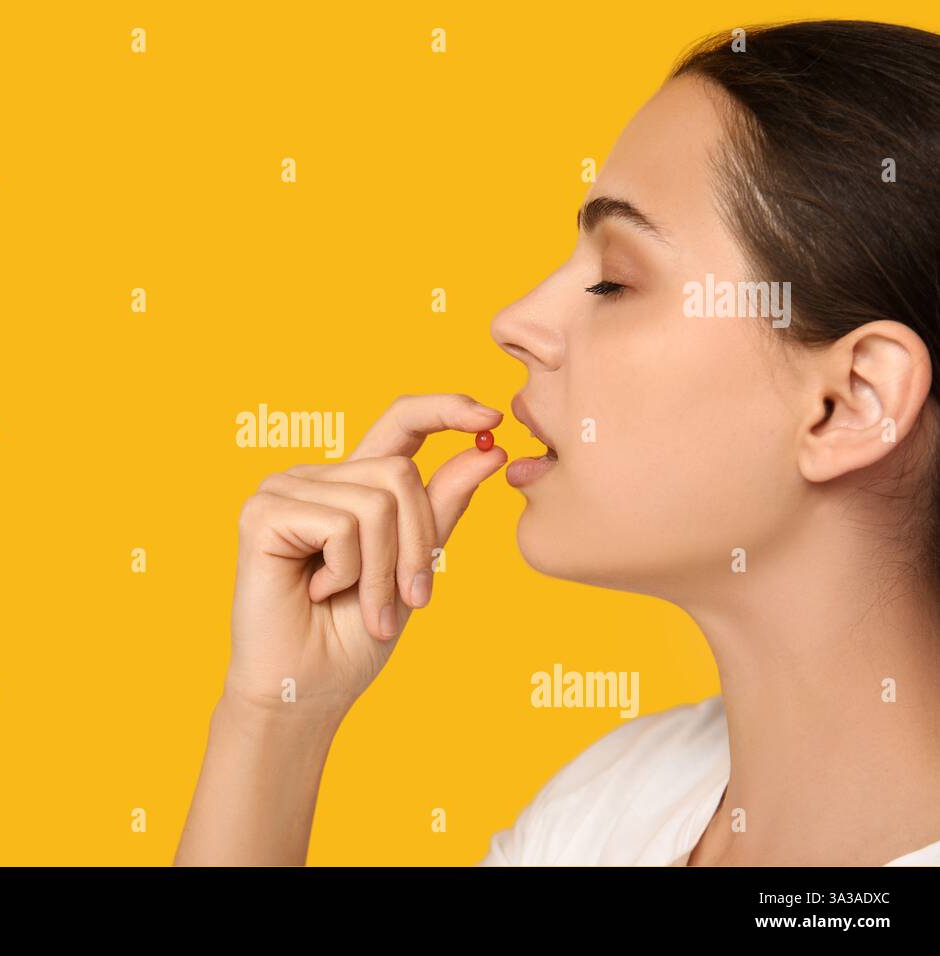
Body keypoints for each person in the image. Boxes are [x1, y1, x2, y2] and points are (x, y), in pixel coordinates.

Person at [174, 20, 940, 867]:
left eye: (615, 279)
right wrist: (278, 717)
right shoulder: (605, 812)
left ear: (850, 402)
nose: (516, 323)